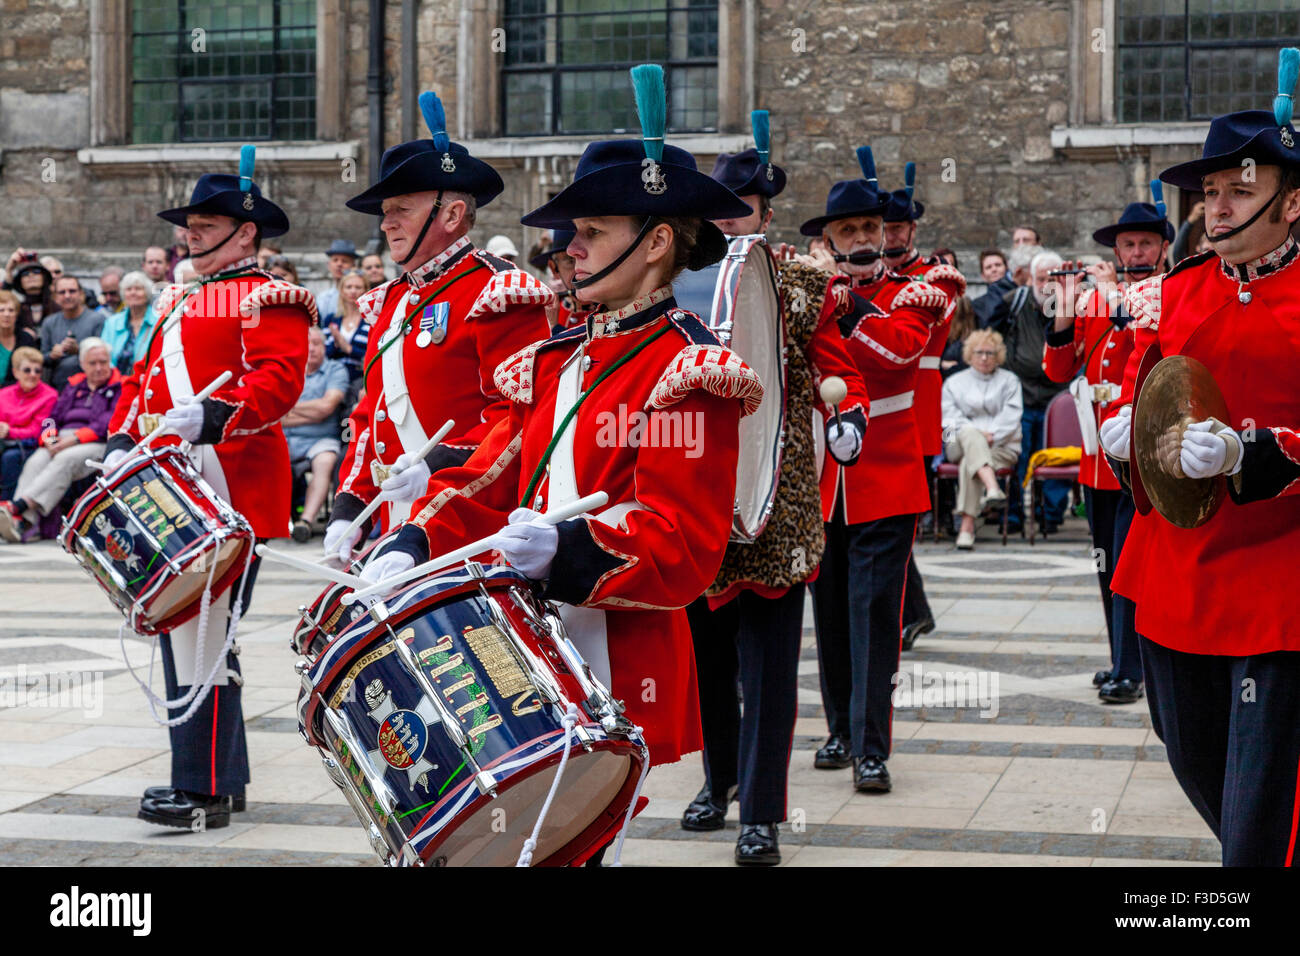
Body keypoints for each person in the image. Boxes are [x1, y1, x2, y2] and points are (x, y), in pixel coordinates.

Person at [361, 66, 761, 867]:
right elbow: (495, 470)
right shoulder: (555, 359)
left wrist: (566, 550)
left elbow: (684, 542)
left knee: (570, 849)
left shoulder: (688, 370)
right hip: (524, 631)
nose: (569, 247)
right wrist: (415, 534)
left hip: (612, 642)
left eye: (592, 232)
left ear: (655, 244)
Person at [1097, 57, 1300, 865]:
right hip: (1177, 567)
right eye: (1210, 191)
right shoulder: (1175, 290)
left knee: (1258, 816)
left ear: (1293, 204)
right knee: (1196, 761)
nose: (1216, 206)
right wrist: (1125, 438)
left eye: (1239, 191)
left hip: (1278, 572)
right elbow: (1140, 390)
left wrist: (1254, 452)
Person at [101, 146, 313, 830]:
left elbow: (279, 382)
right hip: (175, 483)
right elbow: (144, 380)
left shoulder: (267, 294)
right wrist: (117, 441)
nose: (189, 233)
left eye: (204, 222)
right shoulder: (179, 297)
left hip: (230, 486)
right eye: (188, 223)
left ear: (245, 231)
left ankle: (202, 792)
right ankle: (225, 779)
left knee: (196, 637)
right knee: (199, 635)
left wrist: (215, 416)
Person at [678, 113, 870, 866]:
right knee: (706, 662)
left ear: (764, 213)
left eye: (744, 209)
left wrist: (847, 411)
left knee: (769, 668)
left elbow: (836, 362)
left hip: (777, 492)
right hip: (694, 492)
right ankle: (717, 780)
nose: (732, 220)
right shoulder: (677, 281)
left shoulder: (799, 282)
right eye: (721, 209)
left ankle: (761, 810)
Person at [324, 91, 553, 560]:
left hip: (467, 526)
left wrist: (438, 465)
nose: (386, 224)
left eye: (400, 209)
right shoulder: (391, 300)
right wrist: (349, 506)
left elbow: (518, 419)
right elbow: (373, 416)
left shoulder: (498, 291)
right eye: (385, 211)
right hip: (396, 526)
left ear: (450, 214)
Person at [797, 145, 947, 794]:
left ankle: (872, 746)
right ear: (829, 239)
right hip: (826, 484)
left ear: (884, 235)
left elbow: (897, 350)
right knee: (829, 614)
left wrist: (844, 305)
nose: (861, 239)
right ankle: (837, 728)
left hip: (886, 476)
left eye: (869, 229)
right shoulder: (814, 294)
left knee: (875, 614)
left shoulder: (915, 289)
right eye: (847, 231)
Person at [1043, 195, 1171, 704]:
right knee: (1105, 563)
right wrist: (1063, 308)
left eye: (1144, 243)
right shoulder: (1096, 301)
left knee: (1127, 562)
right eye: (1127, 244)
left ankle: (1131, 667)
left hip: (1140, 453)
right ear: (1116, 248)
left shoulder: (1170, 290)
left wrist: (1112, 294)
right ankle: (1121, 657)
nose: (1136, 252)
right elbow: (1057, 370)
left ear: (1162, 247)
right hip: (1098, 458)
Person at [879, 166, 968, 648]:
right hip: (871, 407)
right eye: (883, 227)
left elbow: (907, 328)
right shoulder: (874, 275)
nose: (889, 236)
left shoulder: (938, 277)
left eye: (895, 228)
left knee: (900, 522)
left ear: (912, 230)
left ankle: (907, 611)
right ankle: (911, 610)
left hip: (917, 406)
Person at [0, 338, 121, 542]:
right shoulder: (75, 386)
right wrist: (49, 437)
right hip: (62, 438)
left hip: (96, 442)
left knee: (64, 460)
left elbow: (107, 422)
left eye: (103, 362)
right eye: (93, 363)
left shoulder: (119, 386)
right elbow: (52, 418)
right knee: (36, 460)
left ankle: (17, 508)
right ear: (83, 364)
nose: (99, 368)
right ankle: (24, 523)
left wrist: (74, 438)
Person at [993, 249, 1070, 534]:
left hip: (1057, 395)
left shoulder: (1069, 305)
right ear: (1030, 279)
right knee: (1018, 456)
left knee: (1056, 456)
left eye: (1051, 279)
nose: (1045, 285)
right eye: (1040, 279)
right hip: (1020, 396)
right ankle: (1012, 517)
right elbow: (990, 334)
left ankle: (1050, 516)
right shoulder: (1013, 302)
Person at [941, 329, 1021, 548]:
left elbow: (1012, 416)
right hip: (957, 443)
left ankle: (966, 528)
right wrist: (978, 433)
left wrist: (993, 434)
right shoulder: (954, 382)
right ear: (969, 354)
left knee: (970, 463)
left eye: (990, 353)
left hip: (1001, 446)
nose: (985, 358)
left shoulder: (1010, 381)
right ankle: (992, 485)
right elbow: (948, 420)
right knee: (968, 433)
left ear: (999, 355)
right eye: (979, 352)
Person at [284, 326, 349, 541]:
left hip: (320, 439)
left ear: (324, 346)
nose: (311, 349)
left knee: (326, 460)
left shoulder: (335, 369)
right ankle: (275, 521)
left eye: (316, 344)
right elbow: (274, 412)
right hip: (284, 437)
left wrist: (289, 407)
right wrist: (313, 412)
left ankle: (306, 521)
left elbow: (326, 407)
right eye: (306, 344)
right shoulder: (286, 370)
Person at [0, 346, 57, 499]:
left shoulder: (49, 396)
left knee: (10, 458)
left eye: (37, 371)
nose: (32, 375)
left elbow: (40, 430)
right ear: (15, 372)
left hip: (28, 445)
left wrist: (9, 432)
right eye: (27, 370)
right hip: (4, 441)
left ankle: (6, 506)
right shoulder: (4, 394)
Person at [41, 276, 107, 392]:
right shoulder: (49, 322)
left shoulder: (98, 320)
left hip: (91, 388)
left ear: (81, 294)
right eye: (62, 292)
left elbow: (104, 357)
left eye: (72, 291)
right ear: (55, 297)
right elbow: (42, 358)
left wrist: (79, 350)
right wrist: (52, 355)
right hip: (58, 388)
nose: (67, 296)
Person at [529, 227, 589, 333]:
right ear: (554, 268)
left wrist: (555, 328)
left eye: (586, 257)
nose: (580, 269)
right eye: (571, 261)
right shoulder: (547, 316)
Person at [323, 268, 369, 402]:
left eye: (358, 287)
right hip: (332, 379)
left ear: (365, 290)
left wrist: (347, 348)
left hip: (359, 379)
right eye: (349, 287)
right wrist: (336, 344)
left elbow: (370, 355)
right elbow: (325, 353)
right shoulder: (331, 319)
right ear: (342, 291)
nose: (353, 291)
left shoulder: (370, 320)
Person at [101, 271, 160, 376]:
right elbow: (104, 355)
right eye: (128, 289)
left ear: (147, 293)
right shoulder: (112, 323)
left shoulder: (158, 321)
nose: (133, 293)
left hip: (148, 380)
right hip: (116, 383)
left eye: (138, 289)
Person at [7, 252, 56, 335]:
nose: (31, 275)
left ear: (44, 277)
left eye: (36, 271)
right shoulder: (16, 310)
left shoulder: (57, 306)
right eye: (25, 274)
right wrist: (9, 270)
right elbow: (3, 298)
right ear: (20, 282)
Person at [0, 290, 39, 386]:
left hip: (17, 393)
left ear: (16, 315)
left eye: (11, 310)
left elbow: (33, 371)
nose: (6, 314)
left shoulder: (26, 339)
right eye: (1, 310)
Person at [316, 239, 359, 322]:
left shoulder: (361, 296)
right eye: (335, 260)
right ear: (329, 265)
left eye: (344, 261)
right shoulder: (322, 298)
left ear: (353, 266)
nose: (339, 264)